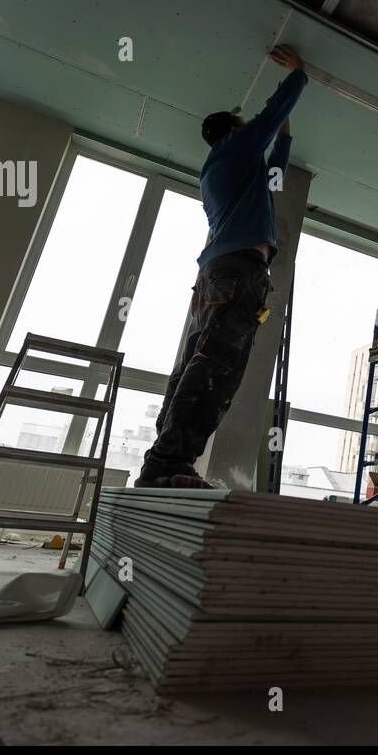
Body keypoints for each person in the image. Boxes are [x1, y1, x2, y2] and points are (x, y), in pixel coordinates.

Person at [136, 45, 308, 489]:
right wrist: (296, 73)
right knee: (218, 365)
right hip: (236, 273)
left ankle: (169, 460)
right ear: (233, 130)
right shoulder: (235, 149)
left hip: (221, 274)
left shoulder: (227, 168)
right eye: (242, 127)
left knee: (202, 359)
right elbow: (270, 115)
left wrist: (284, 135)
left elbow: (275, 171)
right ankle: (166, 462)